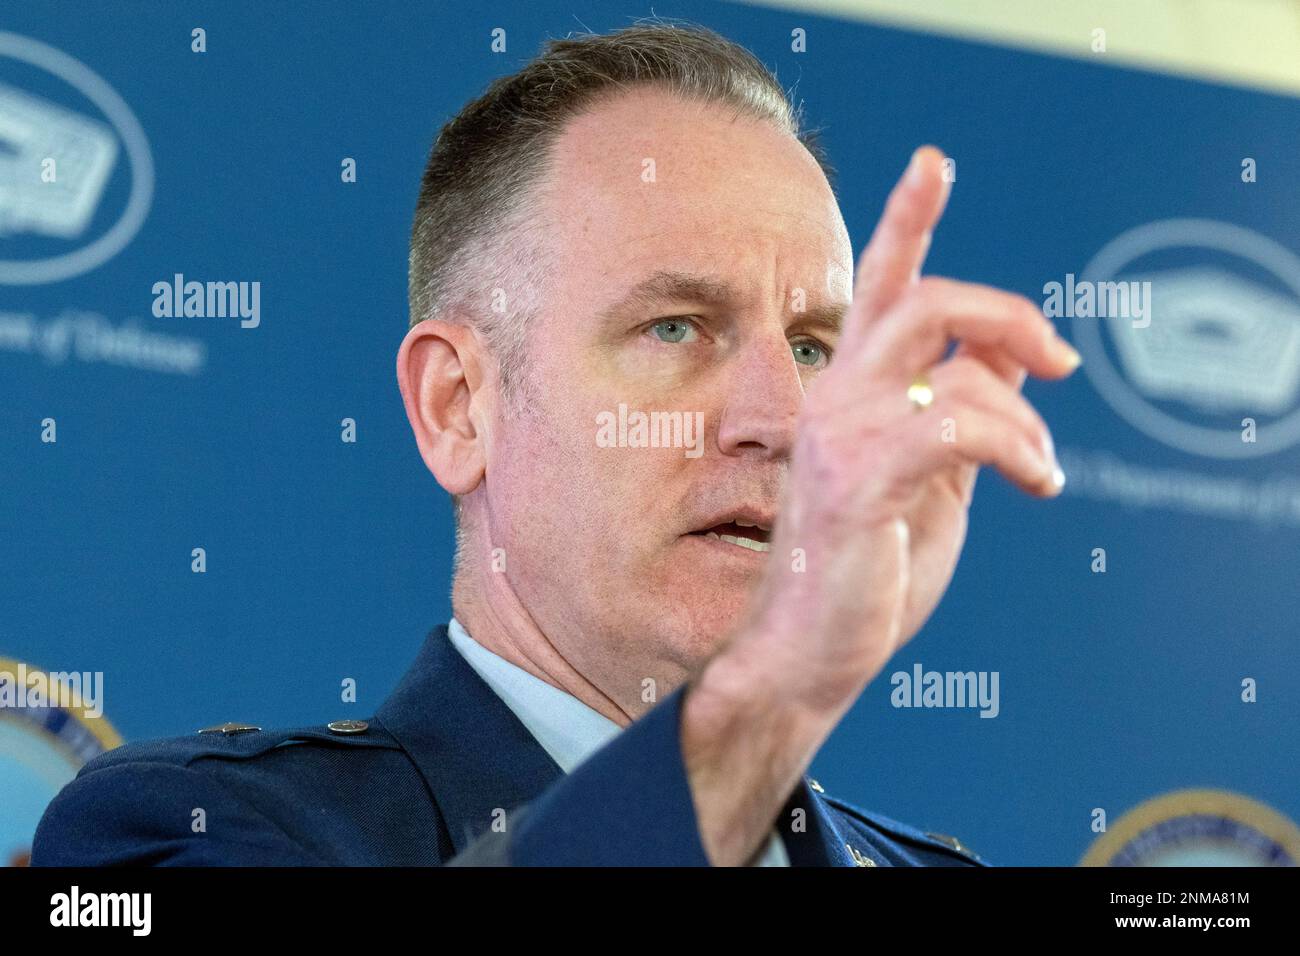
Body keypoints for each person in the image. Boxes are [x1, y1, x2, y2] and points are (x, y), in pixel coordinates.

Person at [32, 21, 1077, 867]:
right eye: (676, 326)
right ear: (458, 406)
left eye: (813, 345)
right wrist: (761, 712)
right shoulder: (194, 834)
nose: (784, 418)